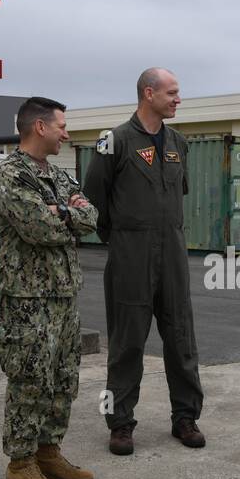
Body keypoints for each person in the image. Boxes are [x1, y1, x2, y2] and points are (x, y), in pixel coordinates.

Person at [82, 68, 205, 456]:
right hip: (130, 258)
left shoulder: (179, 144)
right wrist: (121, 241)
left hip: (172, 255)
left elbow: (175, 196)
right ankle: (120, 423)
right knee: (125, 345)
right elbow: (93, 202)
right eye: (172, 92)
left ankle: (185, 418)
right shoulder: (113, 141)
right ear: (148, 93)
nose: (178, 99)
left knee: (182, 341)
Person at [0, 97, 98, 479]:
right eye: (62, 127)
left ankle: (49, 451)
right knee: (30, 378)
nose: (66, 134)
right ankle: (20, 463)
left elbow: (91, 217)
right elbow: (38, 227)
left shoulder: (59, 176)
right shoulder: (8, 176)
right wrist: (65, 215)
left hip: (63, 294)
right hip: (26, 297)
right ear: (39, 127)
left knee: (63, 377)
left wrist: (63, 212)